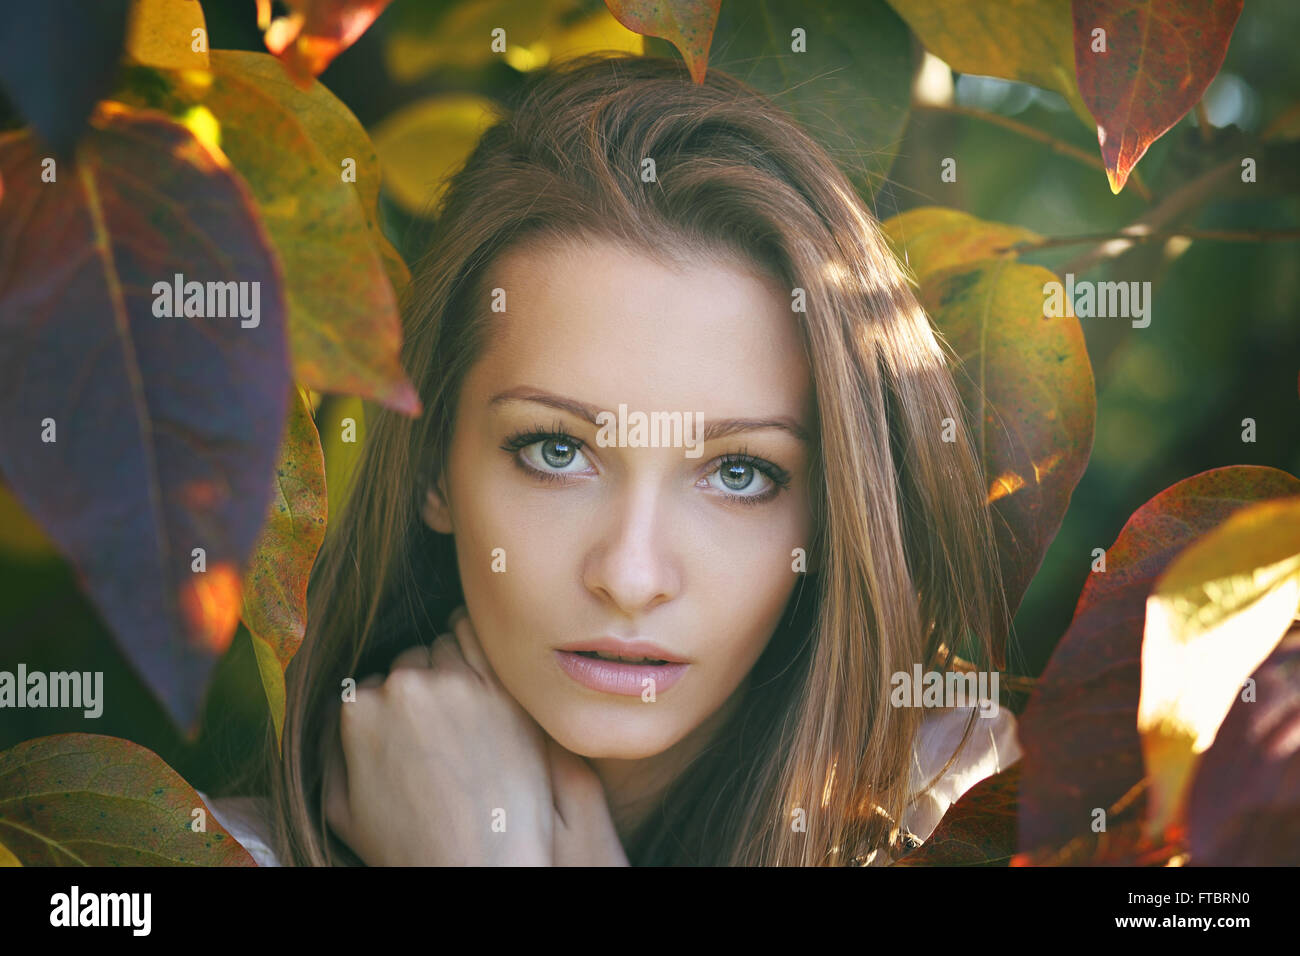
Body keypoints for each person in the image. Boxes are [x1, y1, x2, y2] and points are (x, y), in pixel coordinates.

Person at [208, 51, 1020, 866]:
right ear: (433, 467)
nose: (630, 578)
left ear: (832, 511)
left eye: (740, 472)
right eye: (557, 450)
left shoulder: (983, 821)